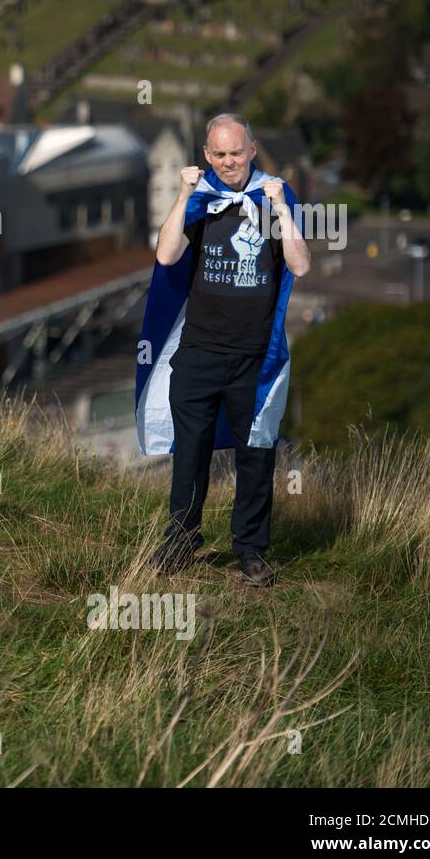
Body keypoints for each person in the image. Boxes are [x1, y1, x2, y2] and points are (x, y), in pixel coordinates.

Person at [136, 113, 311, 586]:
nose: (229, 161)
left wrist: (281, 208)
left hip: (255, 355)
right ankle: (181, 542)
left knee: (256, 453)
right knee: (188, 452)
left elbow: (301, 263)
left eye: (237, 152)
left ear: (252, 150)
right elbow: (167, 255)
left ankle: (250, 550)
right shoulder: (199, 201)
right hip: (198, 351)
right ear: (206, 156)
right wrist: (182, 196)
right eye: (219, 154)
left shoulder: (274, 197)